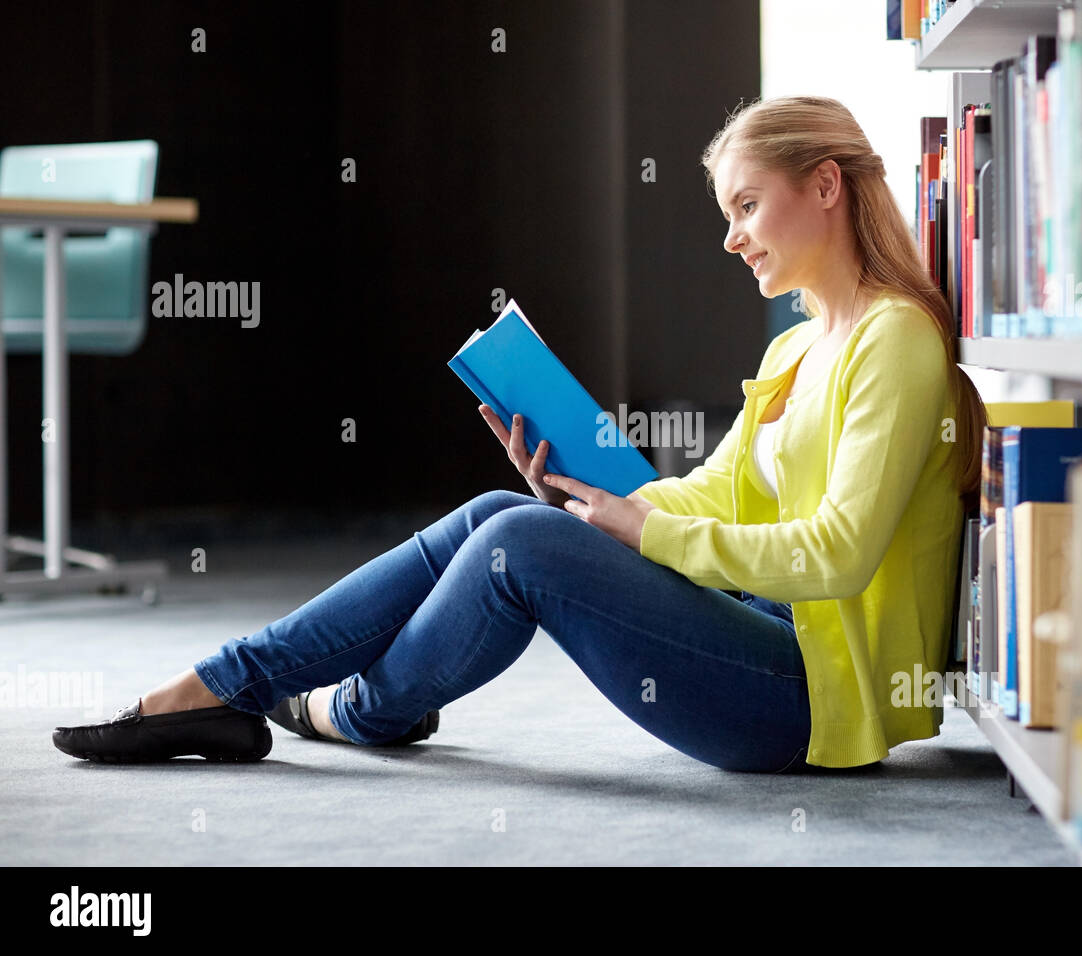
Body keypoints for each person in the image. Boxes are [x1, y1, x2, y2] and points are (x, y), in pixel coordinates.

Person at [53, 95, 986, 772]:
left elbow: (839, 557)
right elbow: (712, 489)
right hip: (764, 635)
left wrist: (641, 532)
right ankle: (227, 683)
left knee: (516, 548)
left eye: (746, 206)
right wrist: (587, 497)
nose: (734, 237)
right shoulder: (800, 348)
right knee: (507, 510)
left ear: (825, 185)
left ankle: (347, 711)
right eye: (728, 216)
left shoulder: (895, 338)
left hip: (811, 697)